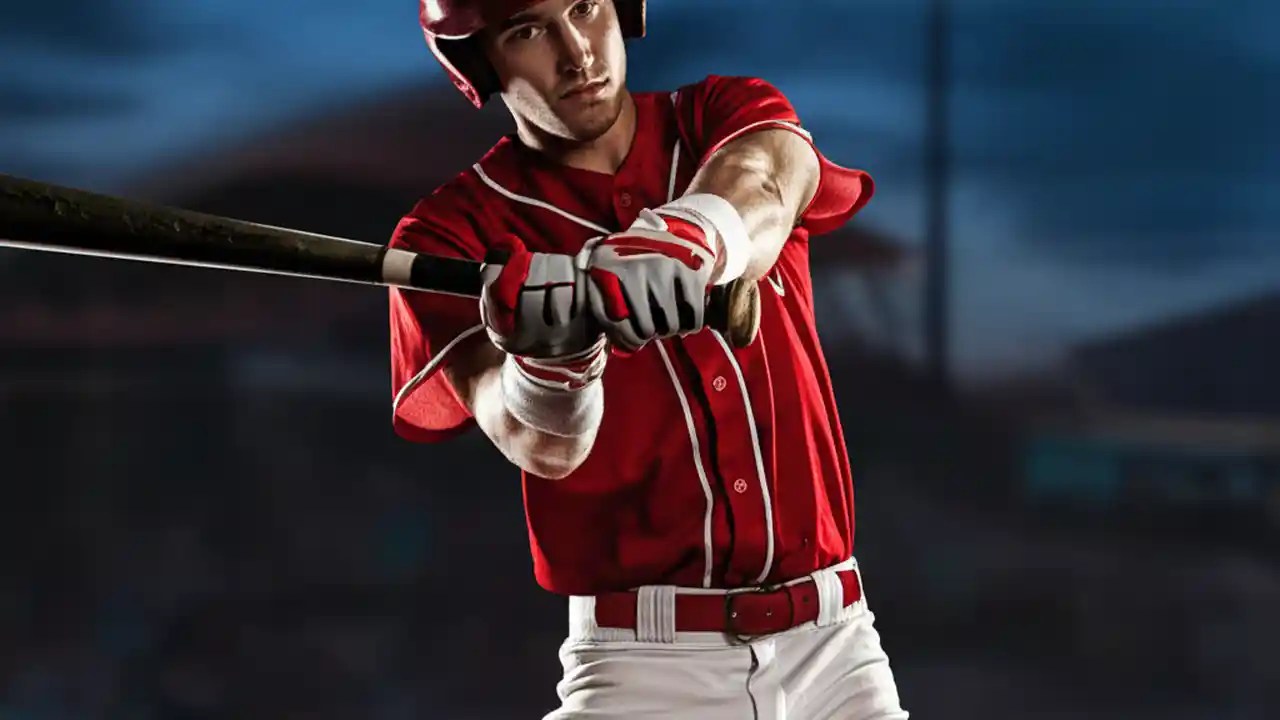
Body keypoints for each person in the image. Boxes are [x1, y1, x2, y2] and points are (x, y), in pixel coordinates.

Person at [387, 1, 909, 717]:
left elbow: (767, 178)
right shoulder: (451, 232)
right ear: (479, 61)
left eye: (585, 7)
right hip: (646, 665)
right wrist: (551, 364)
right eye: (529, 31)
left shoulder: (722, 114)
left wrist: (688, 240)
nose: (578, 53)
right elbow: (537, 442)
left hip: (838, 646)